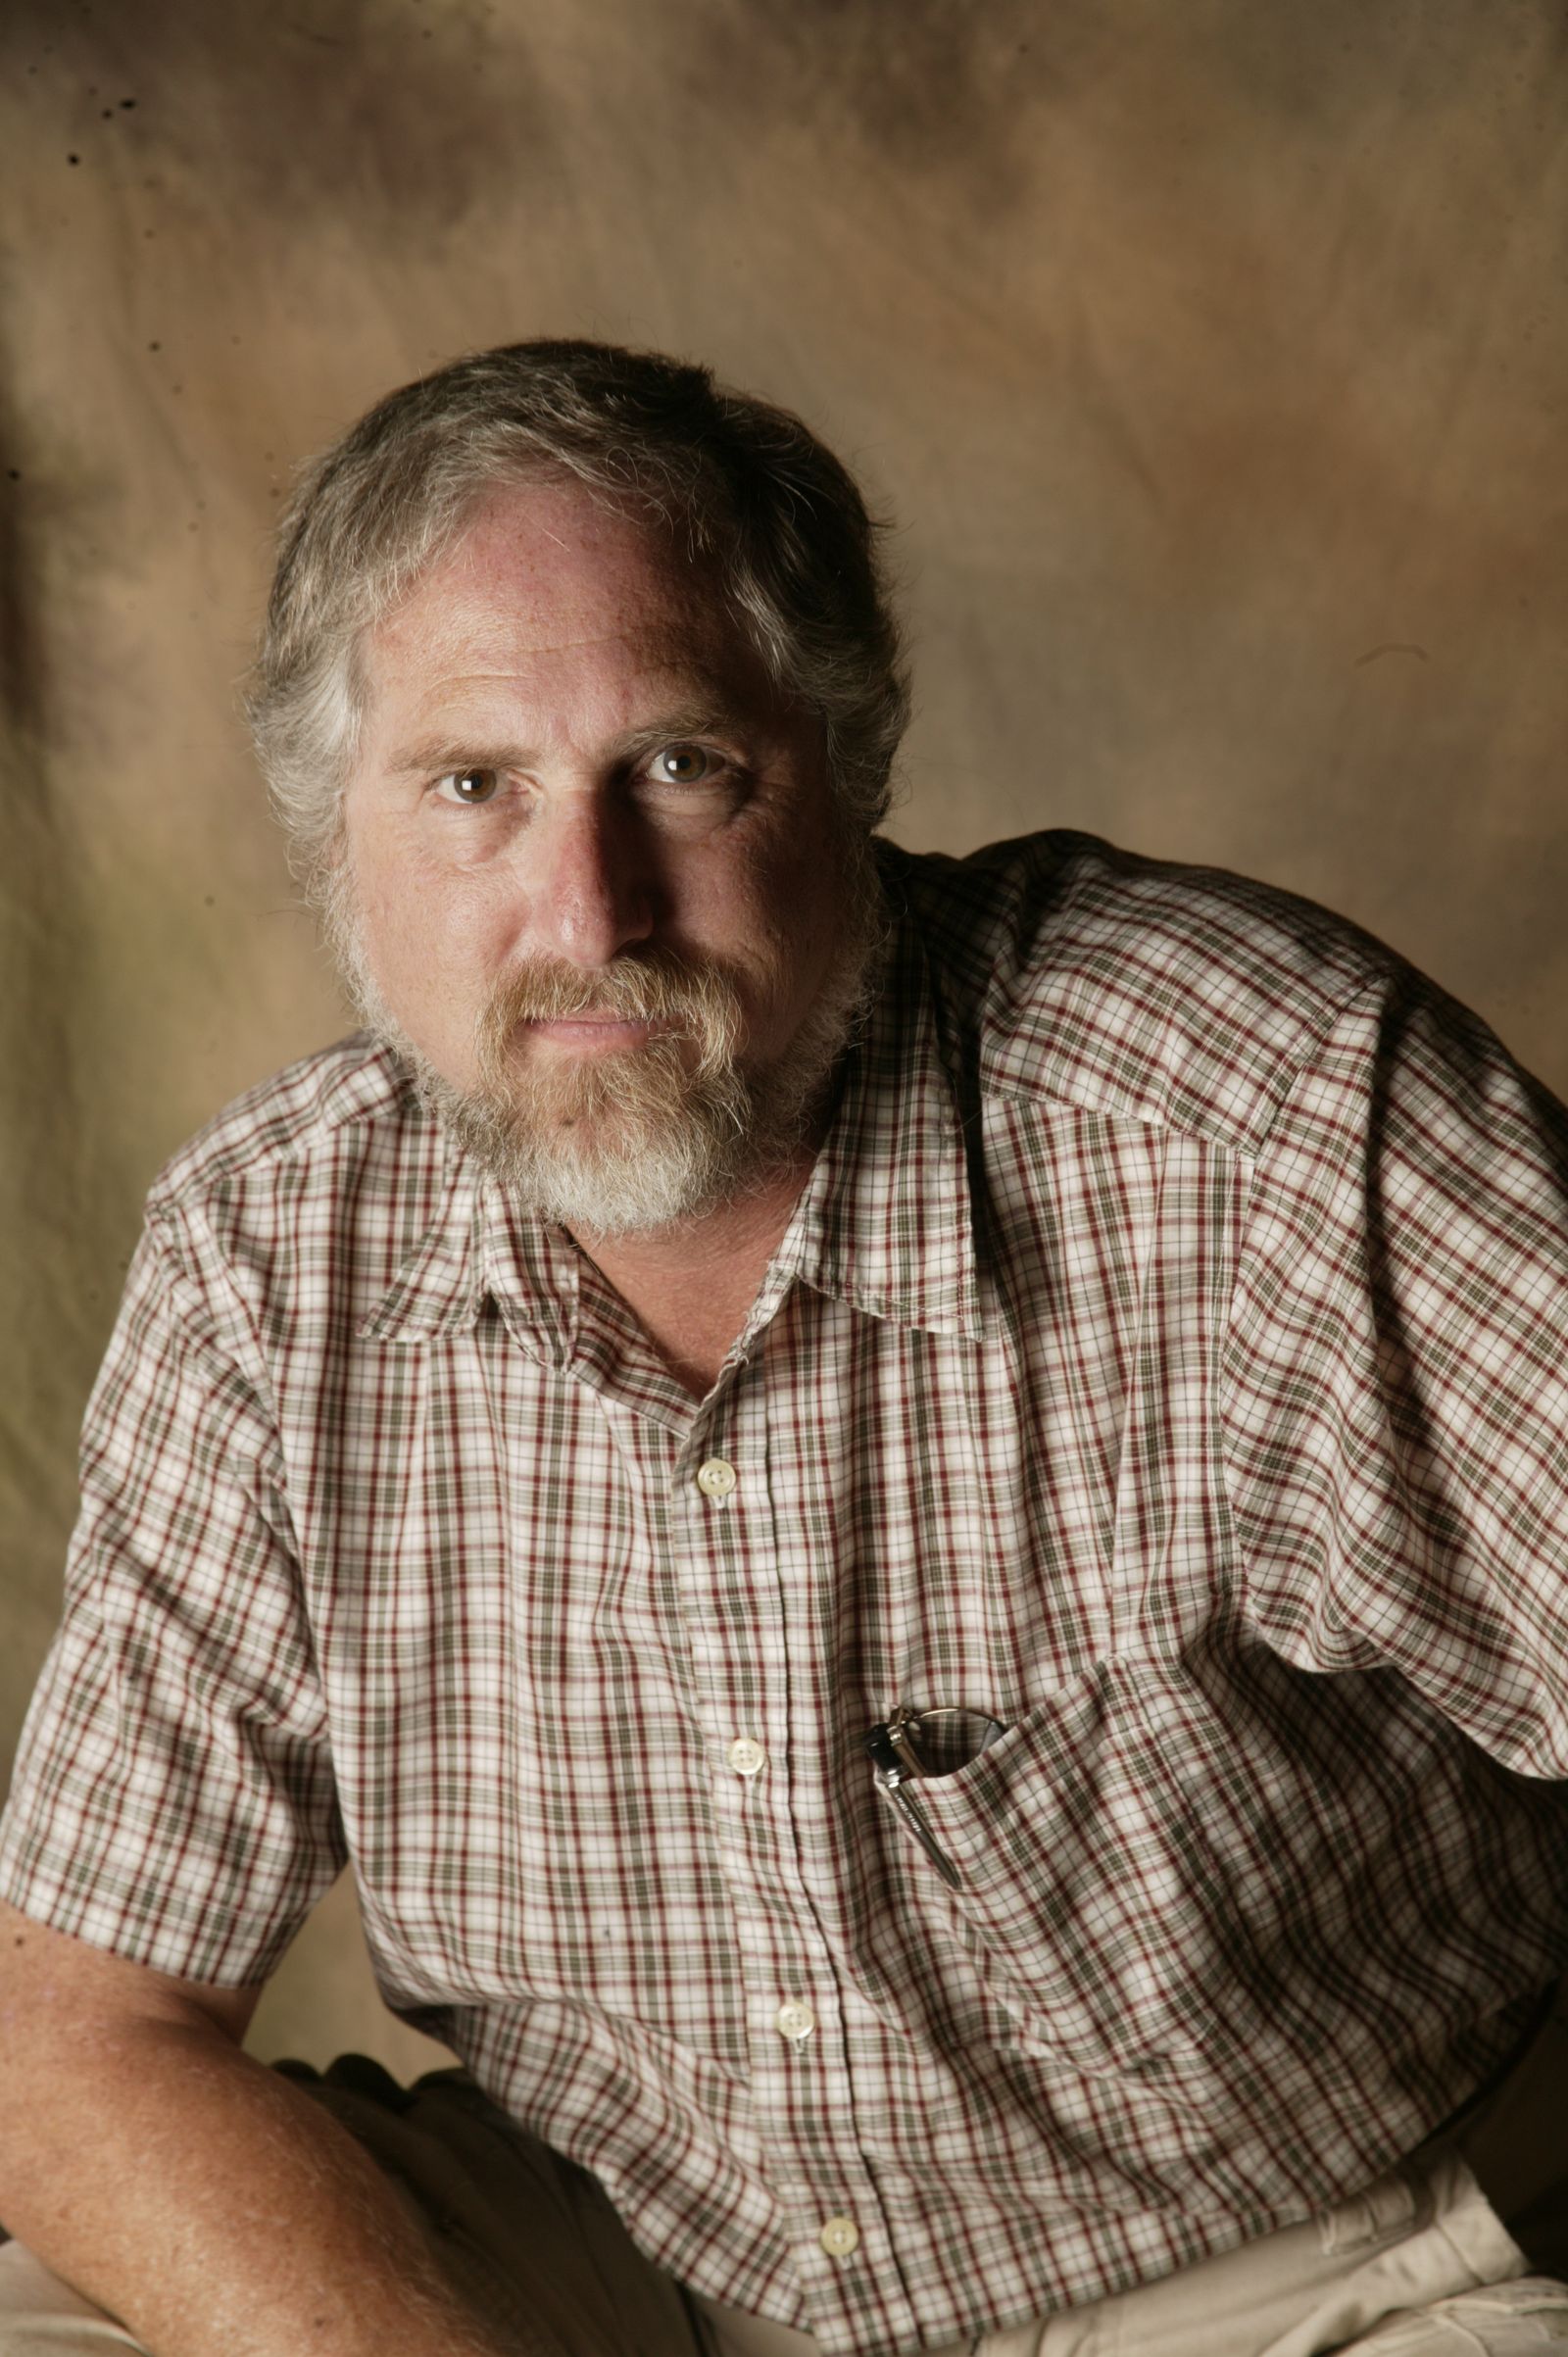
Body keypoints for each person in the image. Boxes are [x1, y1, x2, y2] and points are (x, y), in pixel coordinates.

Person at [0, 339, 1564, 2357]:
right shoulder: (267, 1263)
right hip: (639, 2268)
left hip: (1322, 2256)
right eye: (473, 789)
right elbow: (74, 2031)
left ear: (842, 762)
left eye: (675, 766)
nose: (591, 911)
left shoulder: (1247, 1108)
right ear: (340, 849)